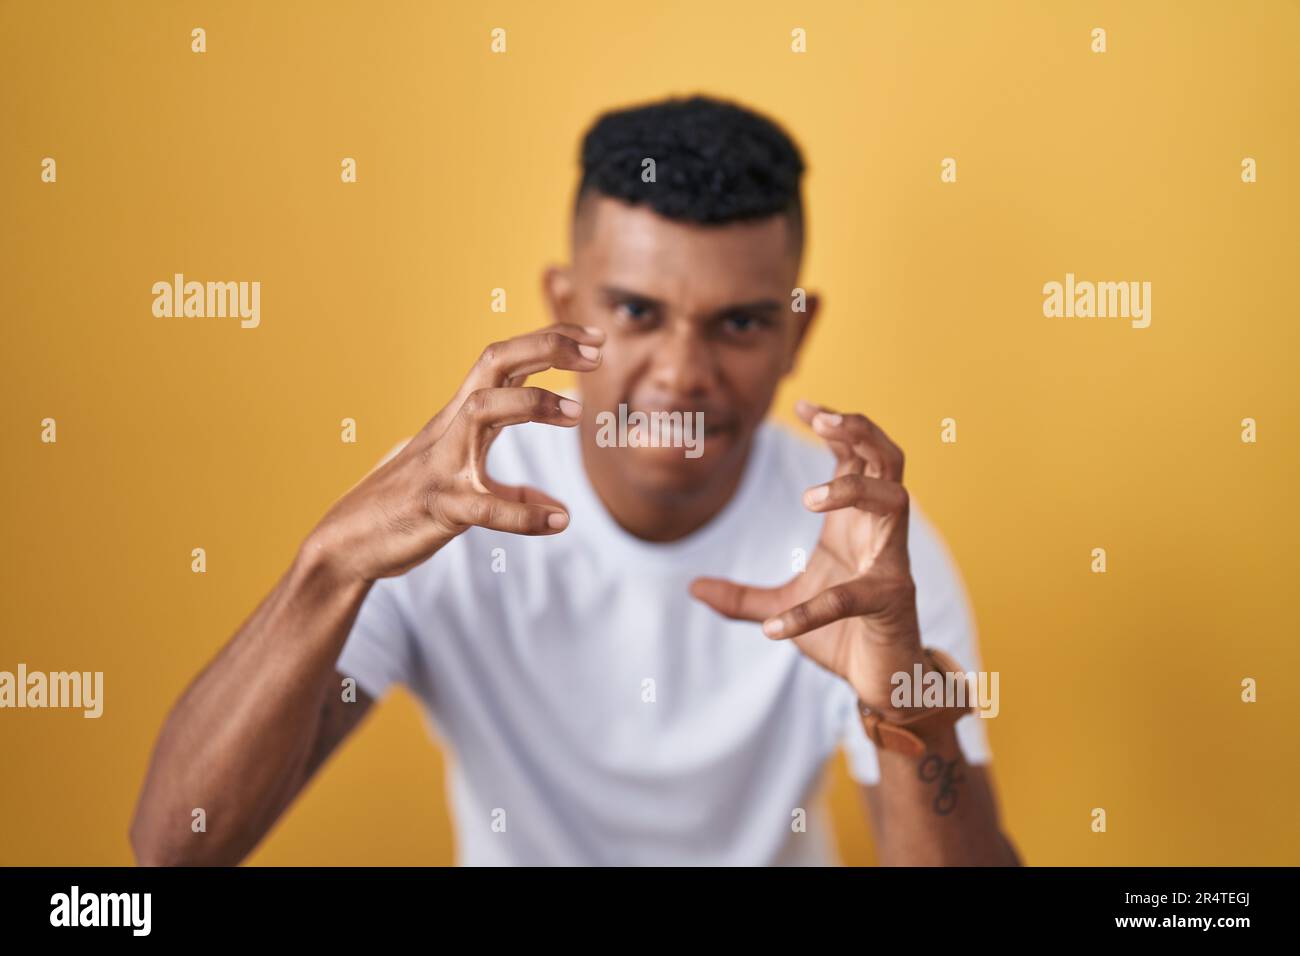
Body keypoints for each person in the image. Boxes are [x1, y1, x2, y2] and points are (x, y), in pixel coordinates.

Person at [130, 95, 1019, 866]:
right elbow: (174, 849)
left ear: (796, 333)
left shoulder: (864, 554)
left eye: (740, 322)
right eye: (637, 311)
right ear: (564, 304)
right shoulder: (446, 507)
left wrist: (907, 700)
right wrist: (329, 566)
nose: (680, 372)